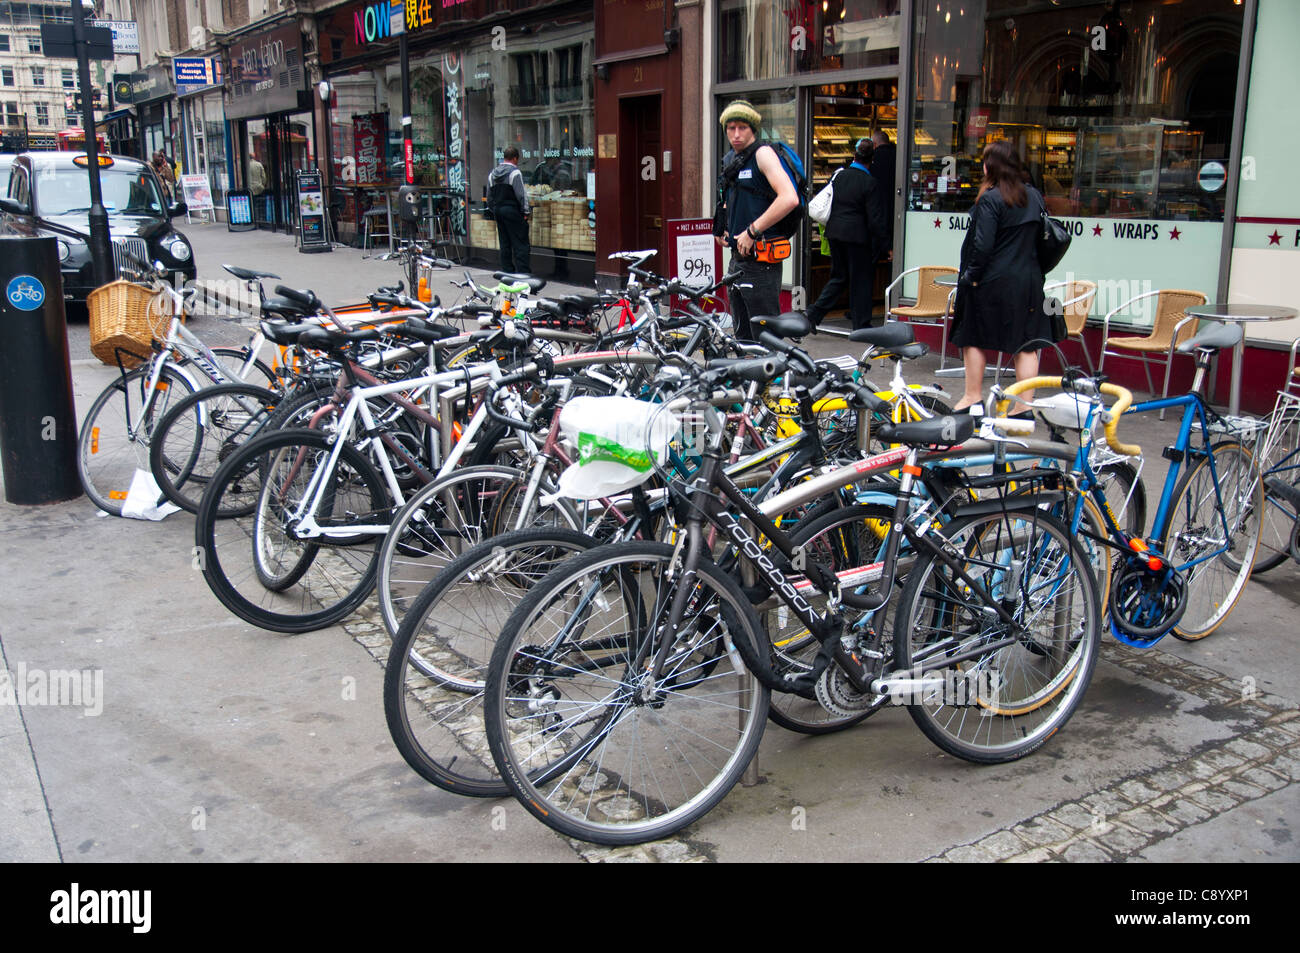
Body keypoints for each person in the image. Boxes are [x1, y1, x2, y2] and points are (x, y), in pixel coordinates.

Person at [951, 139, 1051, 412]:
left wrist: (970, 277)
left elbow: (982, 246)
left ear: (989, 166)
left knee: (972, 336)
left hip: (991, 282)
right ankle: (1024, 406)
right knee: (1026, 344)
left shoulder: (991, 199)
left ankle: (972, 397)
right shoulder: (1035, 196)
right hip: (1028, 280)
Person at [714, 99, 800, 339]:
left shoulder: (763, 154)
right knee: (742, 337)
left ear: (753, 129)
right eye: (731, 128)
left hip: (763, 261)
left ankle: (772, 377)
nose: (736, 134)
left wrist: (752, 231)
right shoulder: (731, 159)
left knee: (766, 337)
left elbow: (789, 198)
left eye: (742, 127)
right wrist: (725, 228)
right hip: (738, 259)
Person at [806, 139, 888, 330]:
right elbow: (876, 219)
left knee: (839, 277)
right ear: (872, 160)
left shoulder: (839, 177)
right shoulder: (870, 182)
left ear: (854, 156)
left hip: (835, 233)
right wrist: (885, 244)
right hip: (858, 238)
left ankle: (814, 313)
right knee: (861, 279)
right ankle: (861, 323)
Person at [488, 146, 531, 273]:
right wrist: (525, 212)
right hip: (512, 210)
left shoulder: (492, 174)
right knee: (520, 244)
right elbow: (521, 194)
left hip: (498, 211)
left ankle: (507, 273)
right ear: (515, 158)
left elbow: (489, 198)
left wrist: (494, 209)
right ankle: (523, 274)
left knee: (504, 244)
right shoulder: (514, 173)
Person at [869, 130, 896, 254]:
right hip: (895, 208)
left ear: (874, 144)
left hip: (876, 210)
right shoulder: (898, 155)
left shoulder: (872, 159)